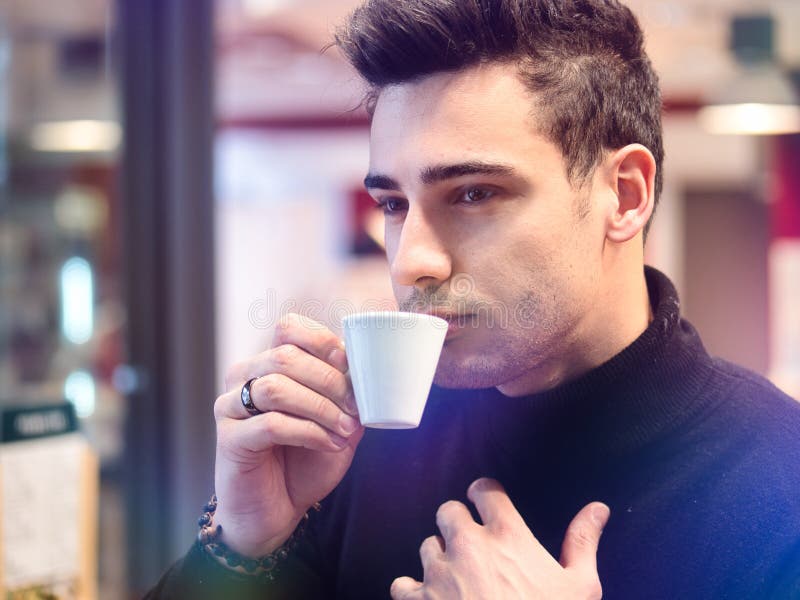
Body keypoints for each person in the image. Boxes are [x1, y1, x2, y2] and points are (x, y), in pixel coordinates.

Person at [146, 0, 800, 598]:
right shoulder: (361, 443)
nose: (410, 261)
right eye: (393, 204)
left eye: (473, 194)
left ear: (624, 195)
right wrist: (243, 544)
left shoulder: (779, 482)